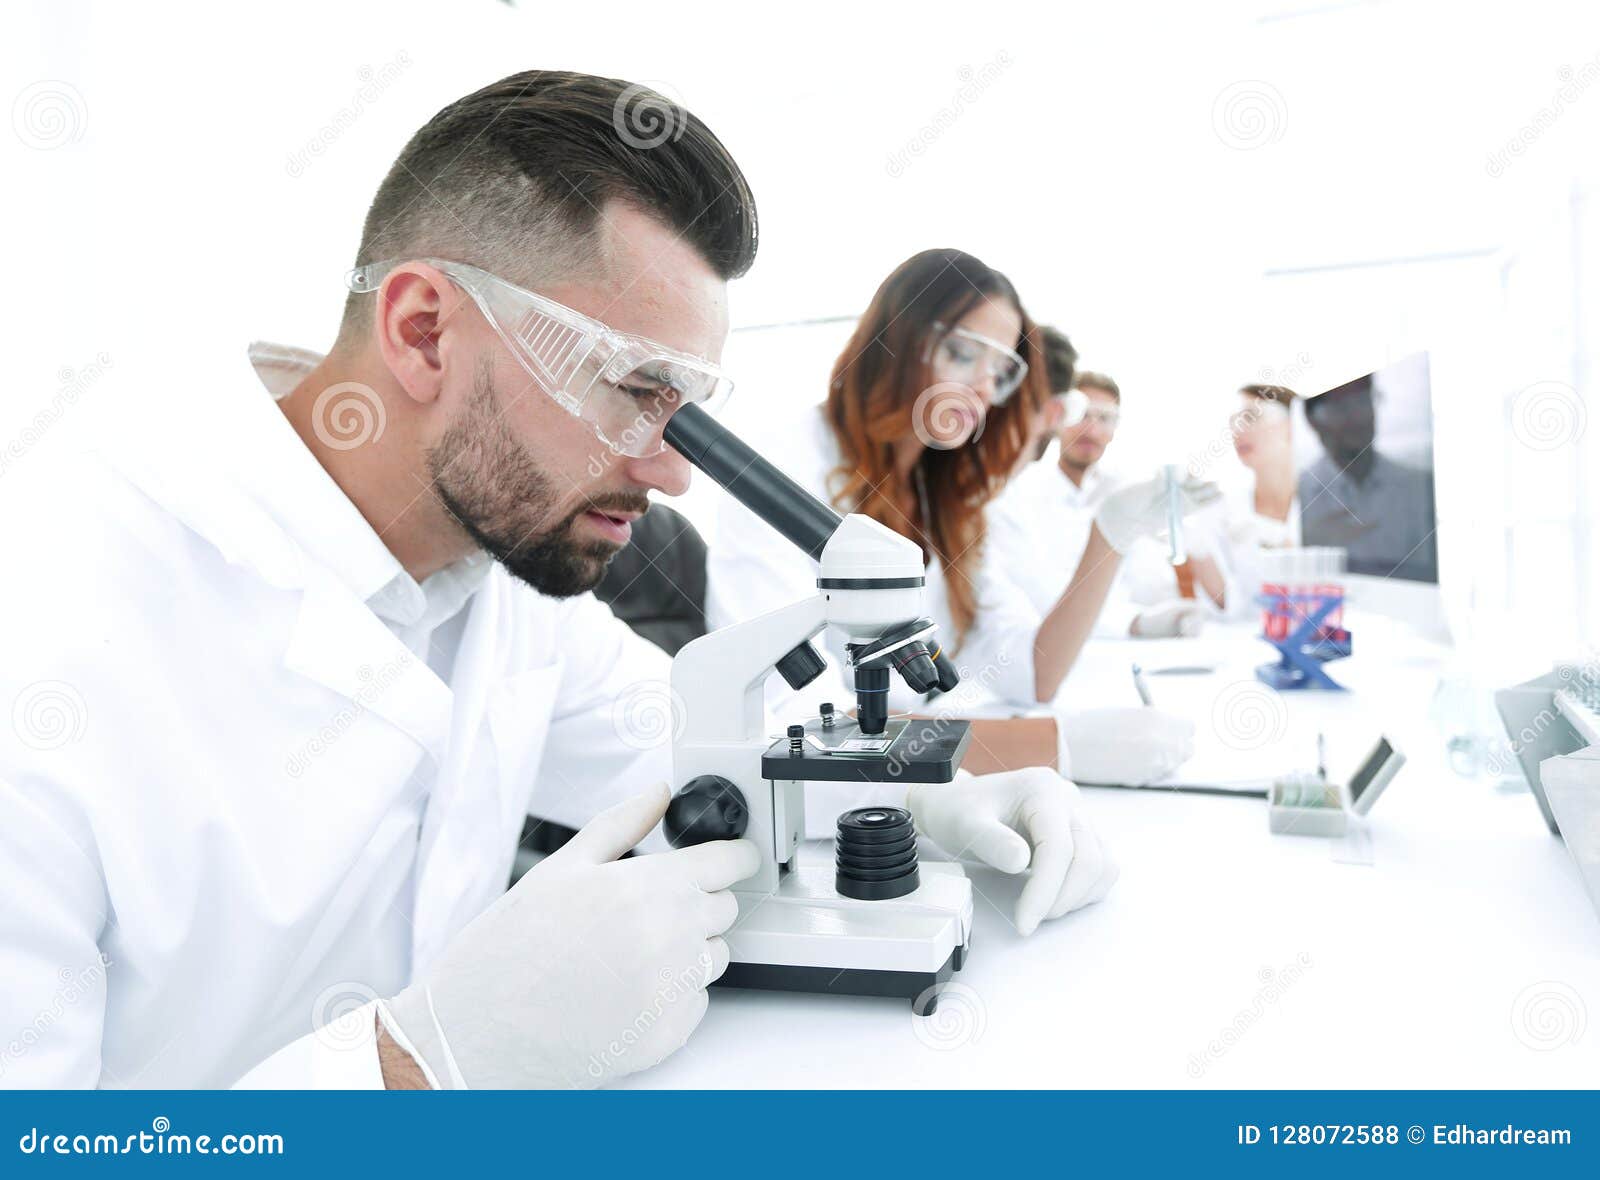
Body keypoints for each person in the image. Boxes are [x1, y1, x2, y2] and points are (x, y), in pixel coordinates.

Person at [0, 71, 1122, 1092]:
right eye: (632, 388)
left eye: (685, 406)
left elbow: (700, 747)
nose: (671, 467)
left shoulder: (492, 579)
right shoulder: (56, 630)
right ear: (426, 329)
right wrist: (412, 1063)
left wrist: (935, 797)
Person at [706, 251, 1207, 794]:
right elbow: (798, 730)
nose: (986, 390)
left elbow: (1032, 672)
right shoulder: (781, 470)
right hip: (832, 822)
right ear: (897, 338)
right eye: (964, 354)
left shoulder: (939, 495)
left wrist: (1109, 540)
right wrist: (1059, 746)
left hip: (927, 790)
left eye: (1001, 371)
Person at [987, 345, 1209, 640]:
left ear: (1116, 427)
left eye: (1105, 418)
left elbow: (1149, 583)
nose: (1091, 429)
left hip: (1124, 649)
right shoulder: (1021, 492)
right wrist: (1134, 623)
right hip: (1049, 648)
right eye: (1083, 414)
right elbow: (1035, 589)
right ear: (1060, 416)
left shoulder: (1125, 492)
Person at [1298, 374, 1438, 582]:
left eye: (1363, 400)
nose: (1357, 416)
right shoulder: (1298, 493)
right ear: (1313, 420)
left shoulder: (1419, 487)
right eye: (1342, 407)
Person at [1185, 384, 1302, 616]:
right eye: (1234, 421)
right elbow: (1227, 603)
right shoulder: (1221, 510)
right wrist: (1193, 539)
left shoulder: (1332, 502)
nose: (1238, 430)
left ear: (1292, 426)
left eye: (1251, 417)